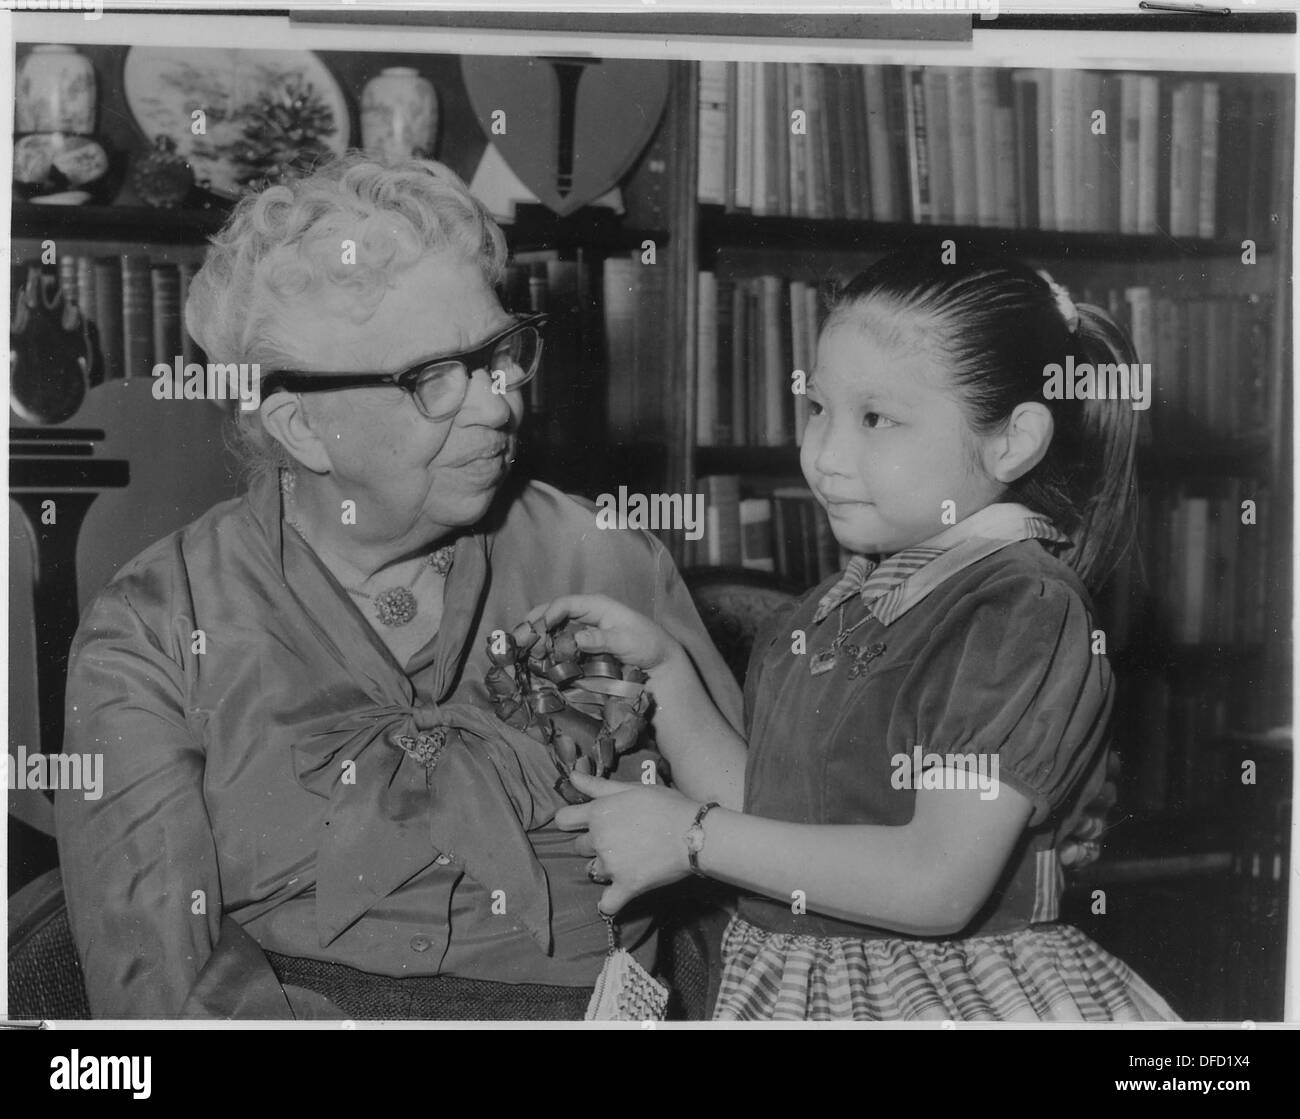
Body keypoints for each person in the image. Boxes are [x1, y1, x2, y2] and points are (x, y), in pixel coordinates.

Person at [53, 154, 742, 1019]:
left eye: (500, 354)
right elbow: (157, 975)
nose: (499, 405)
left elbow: (773, 864)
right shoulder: (155, 626)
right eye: (432, 378)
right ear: (302, 426)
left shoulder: (604, 558)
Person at [538, 251, 1178, 1021]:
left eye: (876, 418)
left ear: (1012, 442)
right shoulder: (822, 614)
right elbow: (773, 815)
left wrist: (692, 839)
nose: (825, 455)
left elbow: (937, 880)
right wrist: (667, 675)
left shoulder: (1016, 613)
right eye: (818, 408)